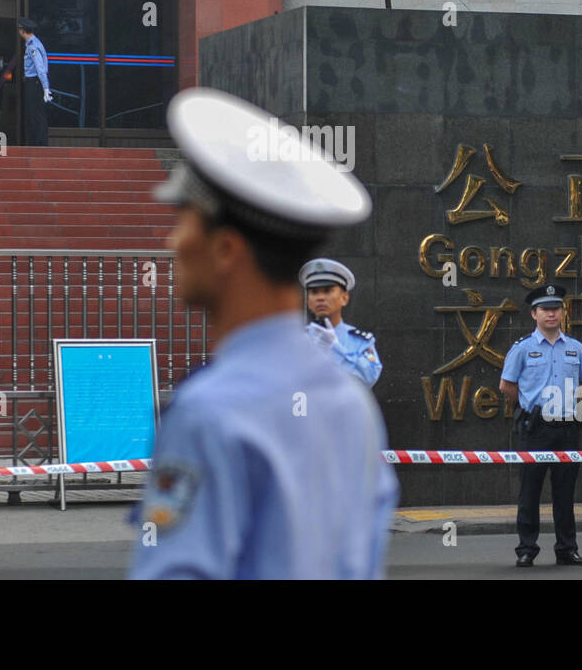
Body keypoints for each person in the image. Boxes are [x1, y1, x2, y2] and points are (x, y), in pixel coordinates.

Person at [128, 88, 399, 579]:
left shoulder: (209, 412)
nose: (173, 241)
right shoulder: (349, 406)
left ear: (226, 249)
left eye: (182, 219)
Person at [499, 284, 582, 568]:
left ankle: (567, 548)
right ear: (534, 314)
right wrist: (530, 406)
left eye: (556, 309)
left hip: (567, 426)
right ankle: (526, 548)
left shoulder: (575, 348)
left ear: (562, 312)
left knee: (565, 494)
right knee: (530, 492)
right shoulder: (523, 349)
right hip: (536, 429)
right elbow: (507, 385)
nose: (551, 314)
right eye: (545, 310)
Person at [299, 257, 382, 386]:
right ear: (308, 300)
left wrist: (334, 348)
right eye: (314, 292)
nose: (320, 298)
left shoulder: (360, 341)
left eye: (327, 291)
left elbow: (368, 378)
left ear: (344, 298)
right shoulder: (295, 339)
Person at [18, 17, 50, 146]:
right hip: (36, 83)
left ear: (23, 30)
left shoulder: (32, 46)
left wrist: (46, 87)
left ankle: (38, 144)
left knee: (35, 113)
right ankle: (38, 143)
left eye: (19, 29)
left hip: (34, 83)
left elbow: (40, 68)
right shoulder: (35, 43)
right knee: (36, 113)